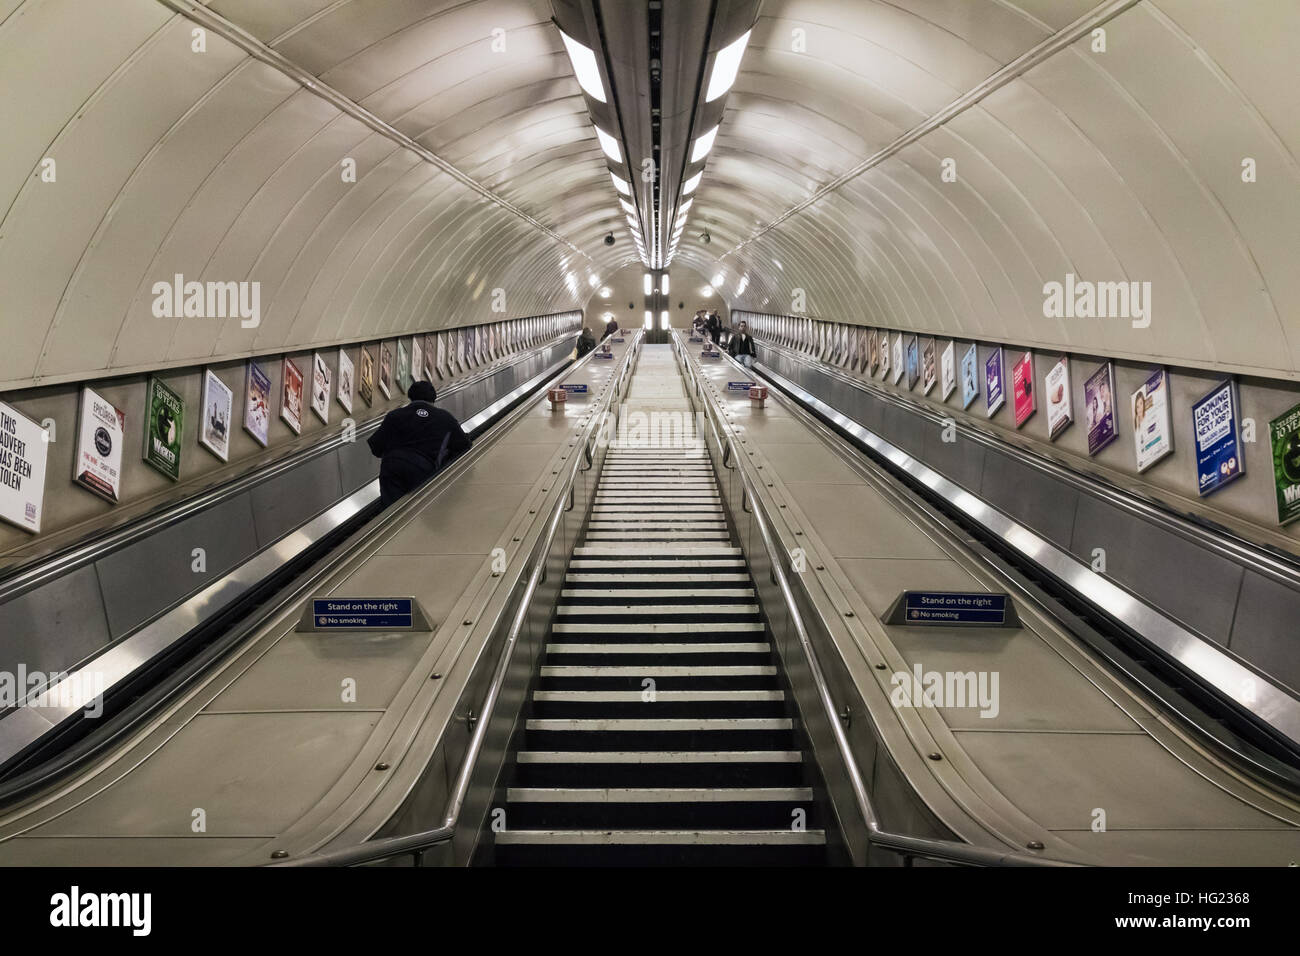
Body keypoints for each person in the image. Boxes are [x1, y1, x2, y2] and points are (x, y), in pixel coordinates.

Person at [367, 381, 471, 507]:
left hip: (392, 466)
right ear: (434, 398)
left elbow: (375, 447)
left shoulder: (395, 415)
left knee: (392, 511)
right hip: (423, 469)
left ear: (410, 397)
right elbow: (465, 445)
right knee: (419, 510)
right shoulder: (444, 418)